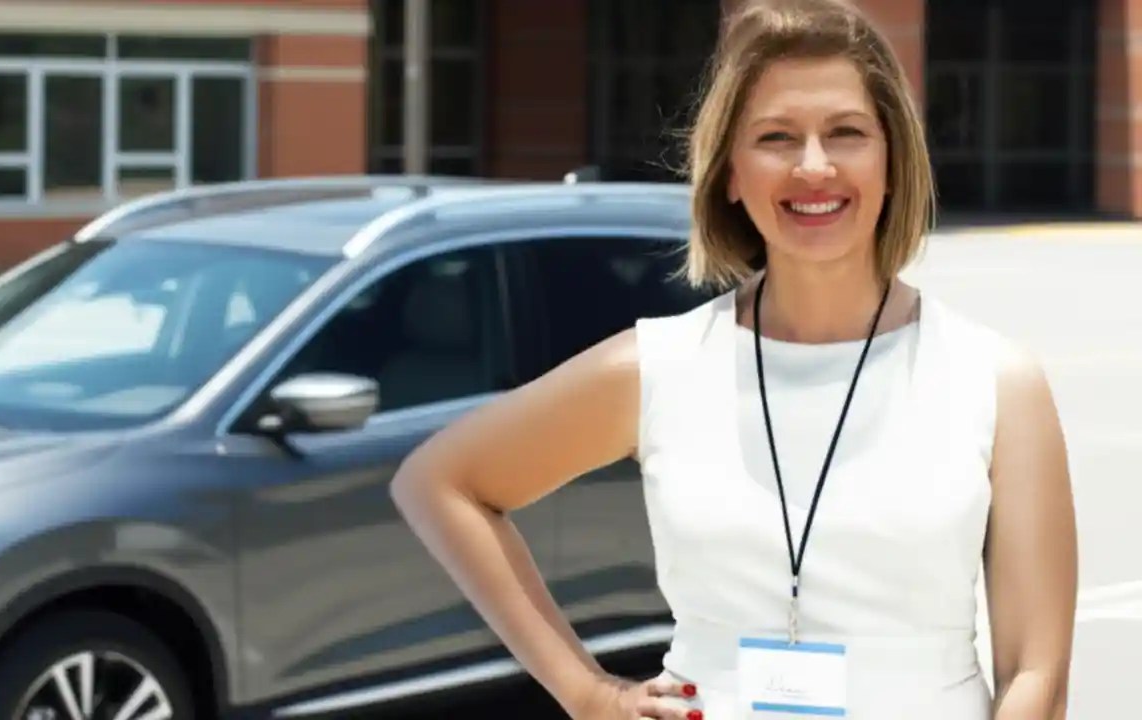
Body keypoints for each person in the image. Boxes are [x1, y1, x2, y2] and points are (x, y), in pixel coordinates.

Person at [390, 0, 1078, 717]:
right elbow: (440, 482)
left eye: (846, 133)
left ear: (893, 161)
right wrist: (589, 695)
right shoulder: (660, 367)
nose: (814, 166)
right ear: (729, 172)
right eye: (776, 137)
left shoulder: (994, 381)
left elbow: (1038, 673)